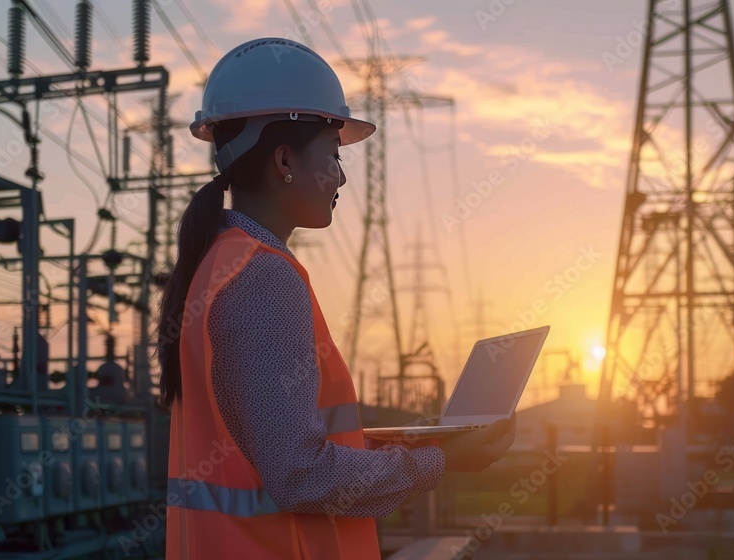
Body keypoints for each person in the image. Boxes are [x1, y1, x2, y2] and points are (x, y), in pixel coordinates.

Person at [156, 38, 516, 559]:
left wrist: (413, 447)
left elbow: (277, 450)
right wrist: (439, 462)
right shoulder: (262, 278)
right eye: (332, 154)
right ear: (284, 159)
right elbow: (302, 475)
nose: (341, 176)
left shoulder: (217, 265)